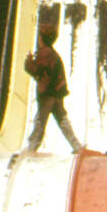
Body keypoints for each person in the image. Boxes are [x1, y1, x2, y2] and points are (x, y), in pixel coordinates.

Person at [23, 22, 84, 153]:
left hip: (48, 93)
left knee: (40, 120)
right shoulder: (53, 53)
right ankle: (76, 146)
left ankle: (32, 147)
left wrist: (28, 62)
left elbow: (38, 71)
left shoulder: (45, 53)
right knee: (62, 119)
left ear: (42, 38)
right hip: (57, 92)